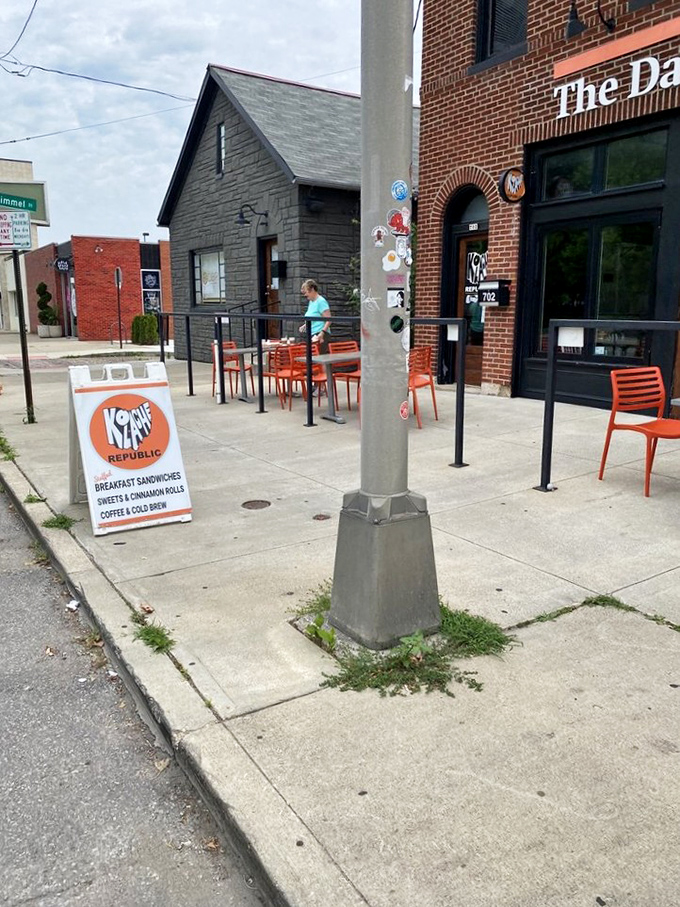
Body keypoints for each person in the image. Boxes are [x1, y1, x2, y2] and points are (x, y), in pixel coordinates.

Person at [299, 279, 331, 351]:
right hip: (312, 333)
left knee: (319, 357)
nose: (305, 295)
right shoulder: (311, 302)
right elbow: (313, 316)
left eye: (306, 292)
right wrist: (305, 325)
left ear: (312, 289)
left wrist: (322, 333)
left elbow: (328, 319)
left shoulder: (321, 301)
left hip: (320, 334)